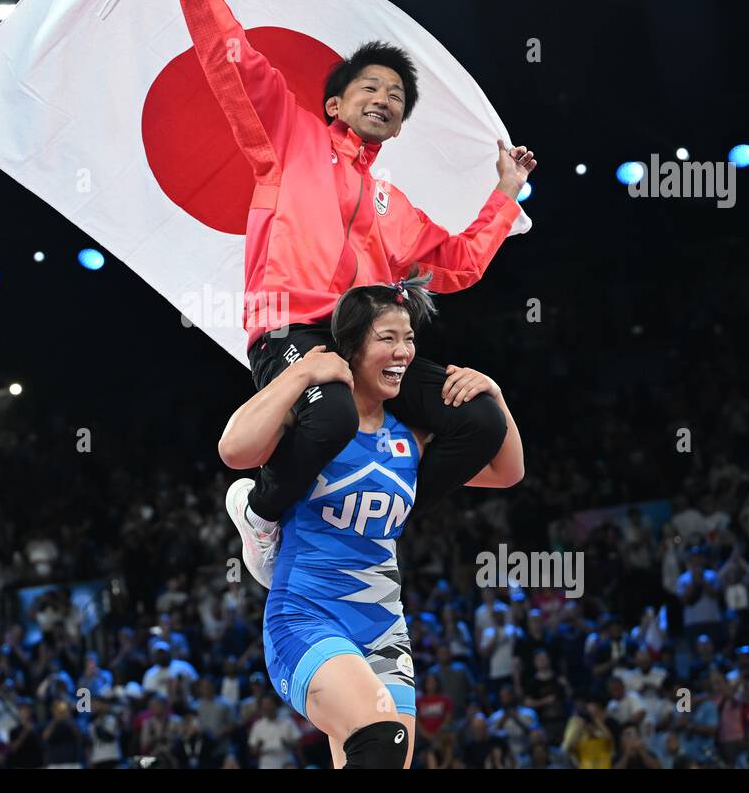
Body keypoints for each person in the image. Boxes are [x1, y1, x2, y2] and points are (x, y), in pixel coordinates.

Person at [142, 0, 535, 588]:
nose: (384, 99)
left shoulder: (395, 203)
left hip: (369, 345)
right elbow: (234, 62)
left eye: (396, 98)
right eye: (371, 88)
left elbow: (460, 264)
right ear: (334, 103)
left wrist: (504, 194)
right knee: (326, 420)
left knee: (477, 420)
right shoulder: (287, 142)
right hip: (291, 330)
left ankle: (373, 512)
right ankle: (262, 513)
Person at [218, 275, 523, 768]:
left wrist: (495, 396)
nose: (404, 351)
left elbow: (508, 472)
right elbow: (233, 450)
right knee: (380, 735)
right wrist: (300, 375)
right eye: (388, 338)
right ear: (352, 348)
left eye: (409, 339)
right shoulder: (314, 425)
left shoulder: (413, 439)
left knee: (382, 756)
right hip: (308, 617)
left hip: (384, 632)